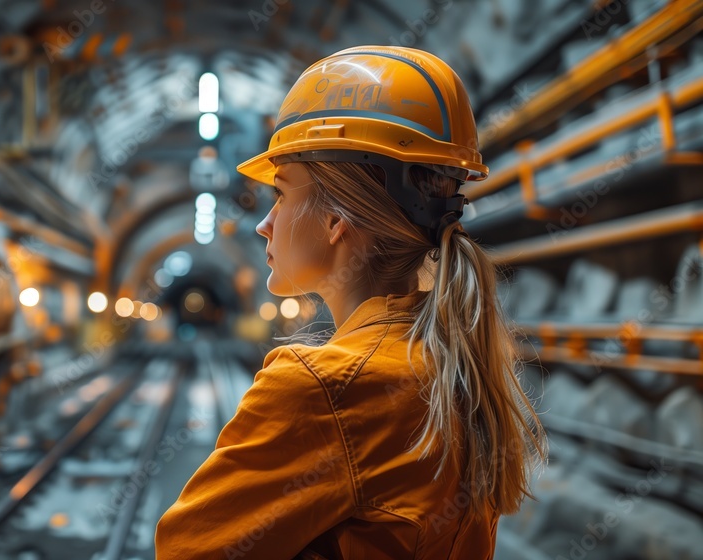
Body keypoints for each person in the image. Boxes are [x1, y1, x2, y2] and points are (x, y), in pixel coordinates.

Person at [154, 45, 548, 560]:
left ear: (336, 220)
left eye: (282, 194)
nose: (263, 224)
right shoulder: (452, 363)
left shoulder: (322, 388)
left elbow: (185, 551)